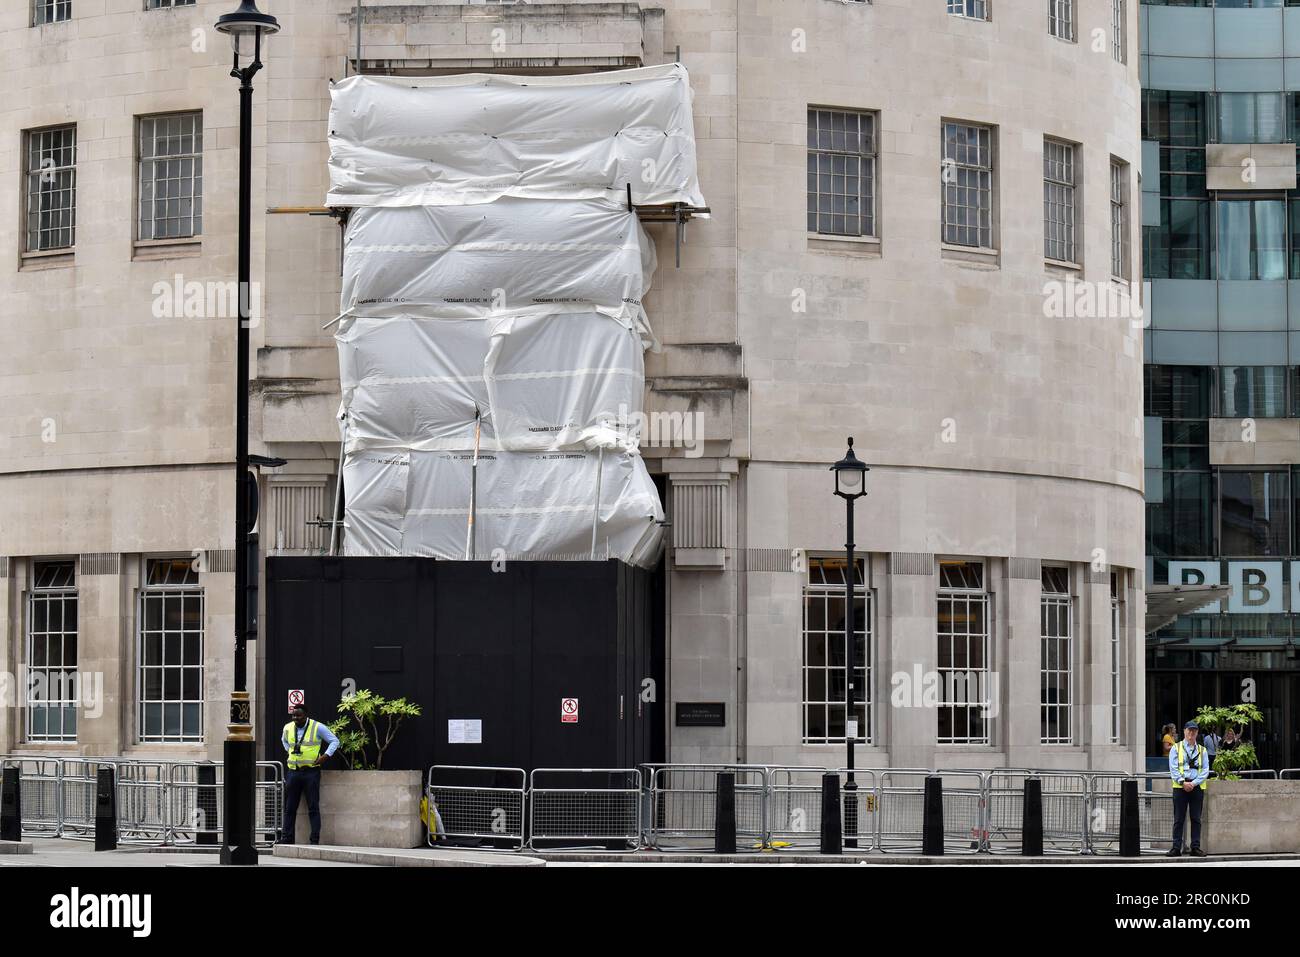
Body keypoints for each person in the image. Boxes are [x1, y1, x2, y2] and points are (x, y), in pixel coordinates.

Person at [280, 704, 339, 845]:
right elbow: (284, 741)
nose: (295, 718)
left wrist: (325, 756)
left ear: (305, 716)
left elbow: (334, 741)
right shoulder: (288, 727)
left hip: (311, 773)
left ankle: (314, 840)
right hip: (293, 772)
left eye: (298, 715)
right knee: (289, 808)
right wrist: (290, 752)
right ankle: (287, 838)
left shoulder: (317, 727)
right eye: (293, 715)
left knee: (313, 807)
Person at [1168, 720, 1210, 858]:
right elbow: (1173, 768)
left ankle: (1195, 847)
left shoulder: (1202, 750)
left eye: (1194, 731)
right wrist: (1182, 782)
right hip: (1180, 787)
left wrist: (1194, 783)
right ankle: (1176, 848)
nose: (1191, 733)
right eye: (1189, 730)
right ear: (1184, 731)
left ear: (1197, 733)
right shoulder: (1176, 748)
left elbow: (1205, 770)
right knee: (1178, 819)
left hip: (1196, 788)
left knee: (1196, 819)